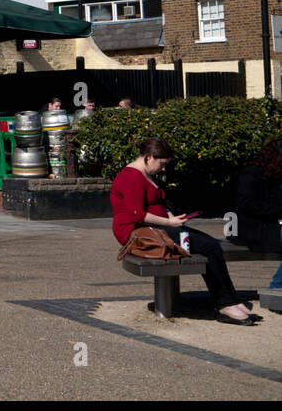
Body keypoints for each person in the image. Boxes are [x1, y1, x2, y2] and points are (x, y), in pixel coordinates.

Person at [111, 138, 259, 324]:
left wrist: (174, 220)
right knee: (208, 246)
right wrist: (169, 222)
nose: (163, 169)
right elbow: (137, 214)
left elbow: (159, 204)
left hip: (158, 227)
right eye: (162, 164)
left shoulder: (145, 174)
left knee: (212, 244)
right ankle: (225, 303)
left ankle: (230, 299)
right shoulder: (132, 176)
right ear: (149, 157)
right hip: (139, 232)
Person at [233, 139, 282, 291]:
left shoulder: (276, 175)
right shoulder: (253, 173)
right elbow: (247, 205)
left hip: (272, 224)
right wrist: (278, 210)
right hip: (254, 228)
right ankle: (277, 288)